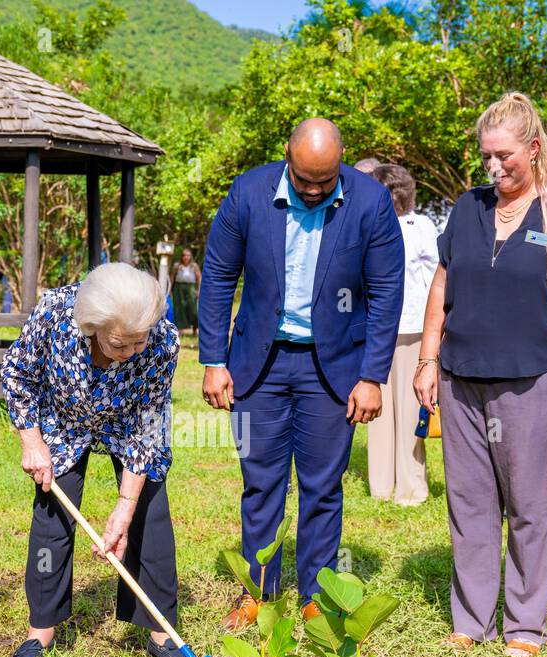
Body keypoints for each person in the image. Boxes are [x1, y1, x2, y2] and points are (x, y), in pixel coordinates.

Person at [413, 91, 547, 657]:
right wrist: (428, 361)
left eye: (505, 156)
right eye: (486, 157)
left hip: (537, 379)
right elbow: (442, 289)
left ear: (533, 147)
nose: (494, 167)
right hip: (461, 377)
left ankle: (524, 624)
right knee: (469, 503)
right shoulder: (467, 207)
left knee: (528, 504)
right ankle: (471, 618)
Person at [199, 118, 403, 630]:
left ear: (340, 166)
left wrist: (373, 375)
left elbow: (386, 292)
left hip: (333, 367)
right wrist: (213, 361)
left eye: (325, 181)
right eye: (305, 180)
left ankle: (316, 595)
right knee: (260, 481)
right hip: (258, 365)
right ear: (286, 156)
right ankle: (258, 592)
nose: (313, 191)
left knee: (322, 485)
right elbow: (219, 276)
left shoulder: (372, 202)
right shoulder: (247, 193)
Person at [1, 262, 184, 657]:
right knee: (53, 516)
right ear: (91, 326)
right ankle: (41, 630)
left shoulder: (162, 342)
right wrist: (31, 441)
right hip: (65, 418)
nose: (131, 353)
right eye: (120, 344)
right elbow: (18, 374)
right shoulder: (54, 315)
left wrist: (125, 503)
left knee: (149, 513)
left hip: (129, 422)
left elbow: (148, 421)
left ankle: (160, 629)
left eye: (138, 342)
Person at [366, 162, 439, 506]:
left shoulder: (420, 226)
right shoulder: (367, 226)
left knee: (411, 410)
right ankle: (380, 485)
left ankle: (410, 488)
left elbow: (437, 275)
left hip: (412, 328)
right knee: (377, 411)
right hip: (376, 330)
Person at [170, 248, 201, 332]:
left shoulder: (194, 266)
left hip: (190, 287)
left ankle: (195, 328)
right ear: (182, 257)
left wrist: (198, 290)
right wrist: (170, 290)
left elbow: (199, 278)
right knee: (179, 308)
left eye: (188, 255)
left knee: (192, 308)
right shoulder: (177, 266)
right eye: (184, 255)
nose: (186, 257)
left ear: (190, 256)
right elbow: (172, 278)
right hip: (178, 287)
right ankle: (180, 329)